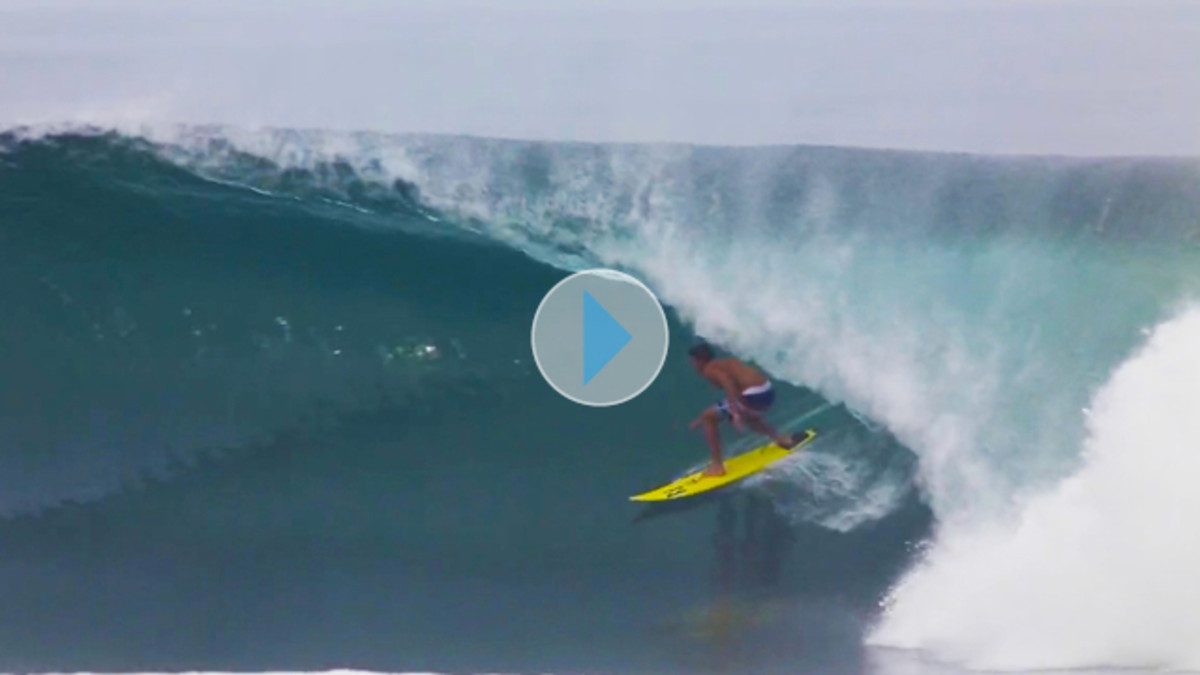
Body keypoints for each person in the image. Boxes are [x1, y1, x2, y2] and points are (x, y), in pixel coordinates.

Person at [687, 342, 797, 476]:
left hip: (753, 394)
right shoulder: (727, 363)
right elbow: (737, 384)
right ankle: (780, 438)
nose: (692, 365)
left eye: (692, 361)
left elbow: (728, 383)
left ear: (699, 360)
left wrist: (735, 414)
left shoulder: (709, 369)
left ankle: (717, 466)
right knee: (748, 418)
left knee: (710, 417)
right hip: (767, 390)